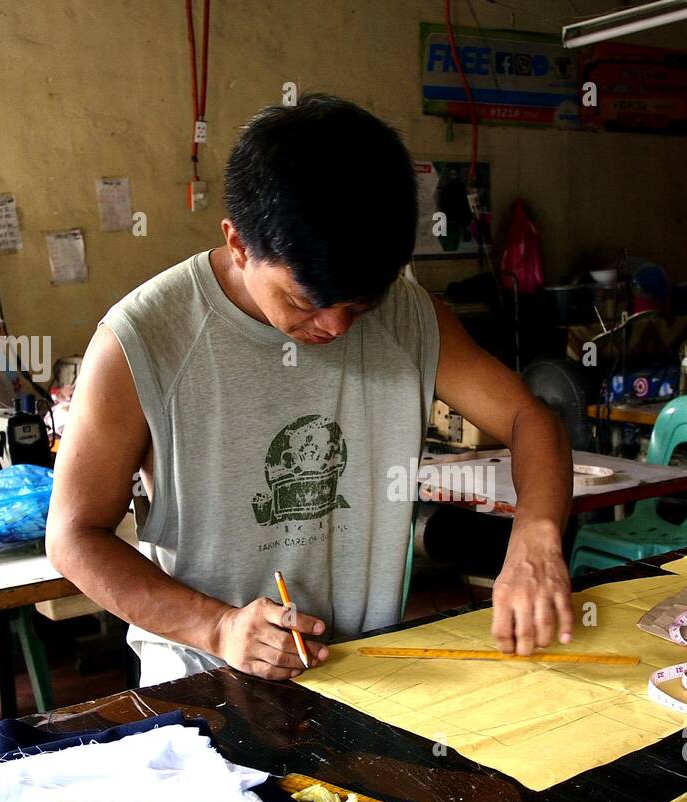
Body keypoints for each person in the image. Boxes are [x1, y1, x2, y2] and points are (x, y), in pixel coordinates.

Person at [46, 94, 574, 685]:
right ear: (238, 243)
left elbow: (532, 419)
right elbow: (73, 536)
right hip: (203, 679)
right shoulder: (144, 338)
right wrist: (217, 628)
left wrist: (535, 534)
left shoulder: (407, 317)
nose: (337, 327)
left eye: (360, 305)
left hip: (367, 676)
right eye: (304, 302)